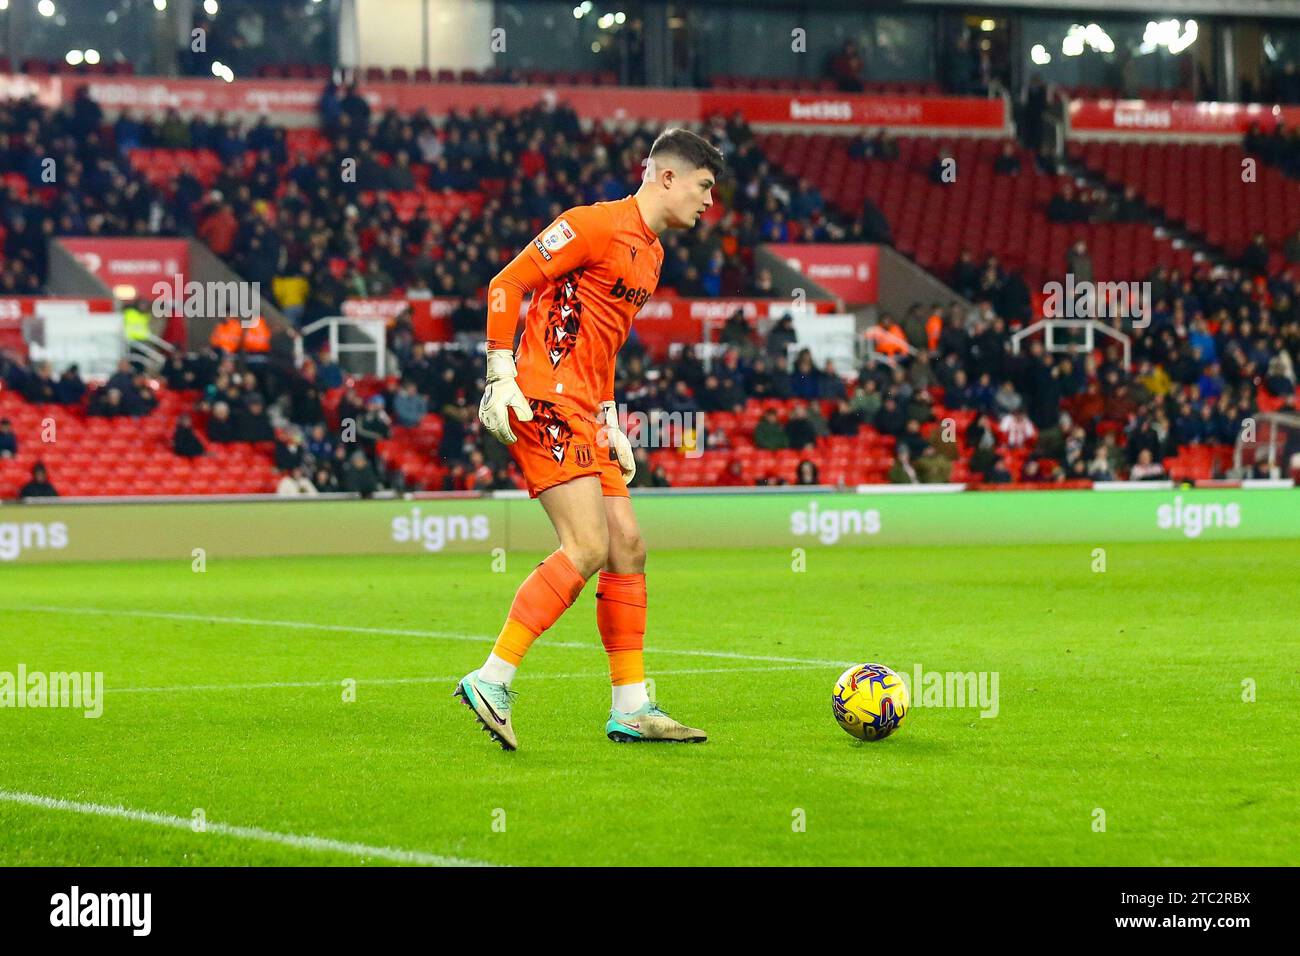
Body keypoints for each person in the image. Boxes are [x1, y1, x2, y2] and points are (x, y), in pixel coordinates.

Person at [458, 128, 721, 750]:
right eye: (704, 187)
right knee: (586, 546)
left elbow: (603, 340)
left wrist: (609, 413)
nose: (710, 202)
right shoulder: (592, 225)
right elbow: (505, 283)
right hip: (543, 396)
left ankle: (631, 706)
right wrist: (499, 372)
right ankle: (492, 678)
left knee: (627, 546)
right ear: (666, 178)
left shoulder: (652, 256)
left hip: (584, 408)